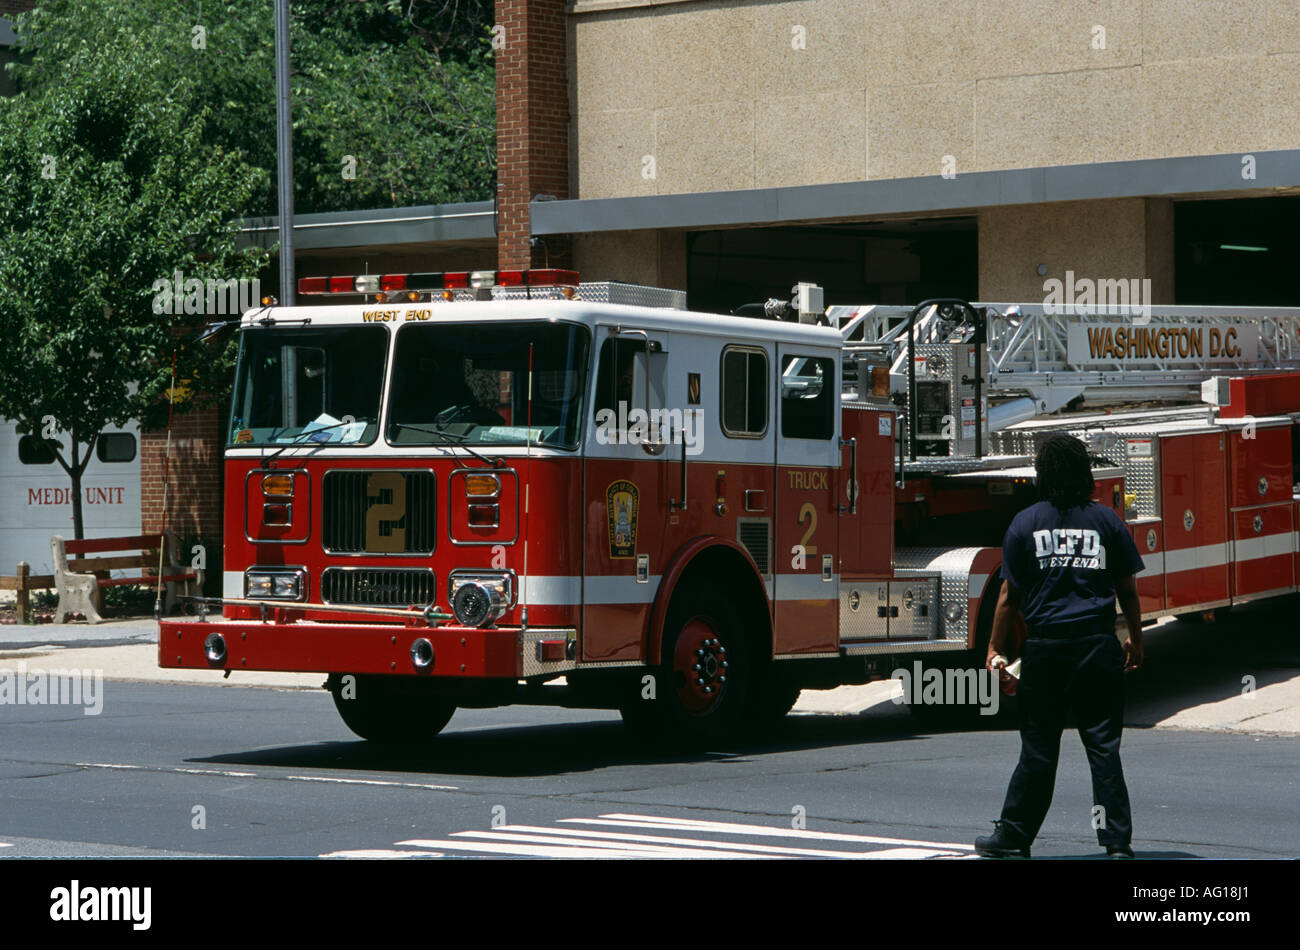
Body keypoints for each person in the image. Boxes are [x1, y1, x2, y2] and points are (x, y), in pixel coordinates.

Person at [976, 434, 1145, 859]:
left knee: (1038, 748)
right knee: (1103, 748)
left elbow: (1008, 598)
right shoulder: (1107, 522)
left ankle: (1013, 837)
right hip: (1095, 646)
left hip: (1046, 651)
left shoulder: (1024, 523)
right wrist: (1135, 640)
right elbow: (1127, 589)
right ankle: (1116, 844)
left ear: (1043, 473)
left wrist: (994, 649)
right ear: (1085, 472)